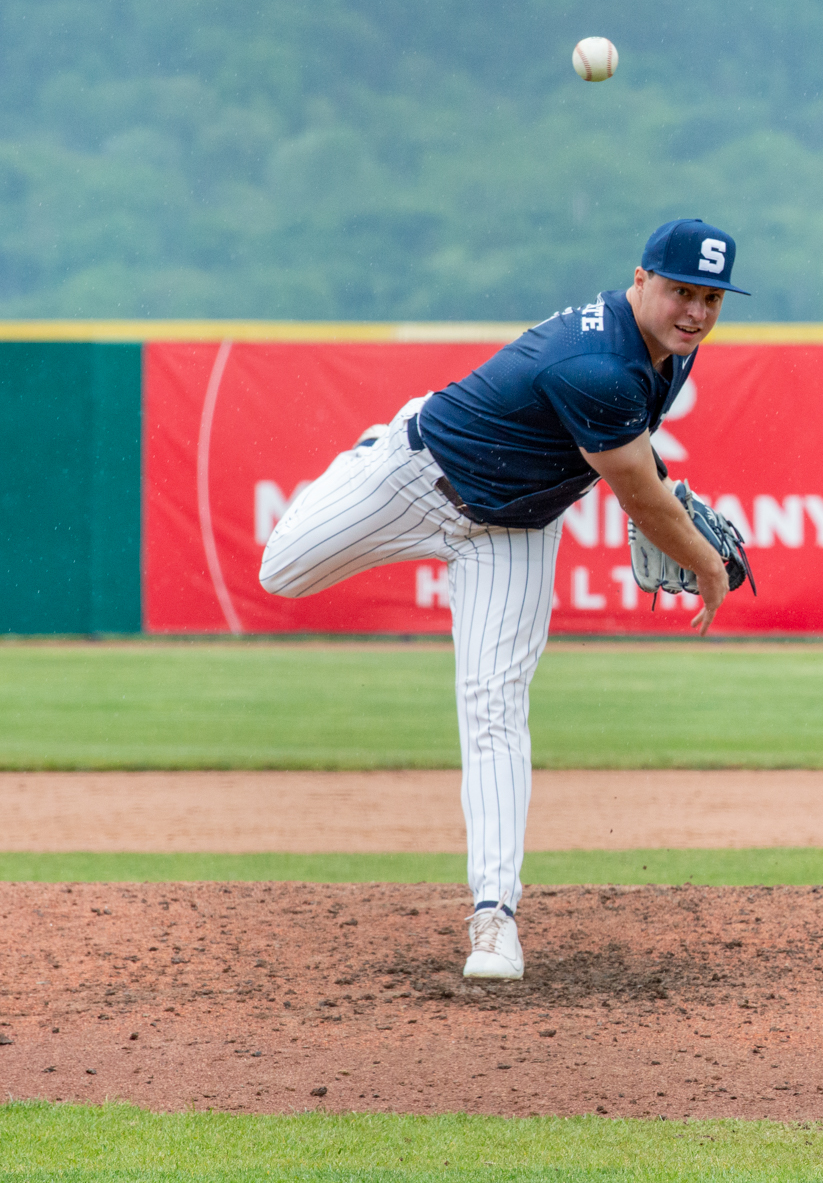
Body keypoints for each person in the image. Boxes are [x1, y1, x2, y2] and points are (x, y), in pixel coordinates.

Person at [259, 218, 747, 981]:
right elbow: (641, 498)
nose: (697, 312)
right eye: (682, 291)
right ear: (641, 280)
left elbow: (637, 463)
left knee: (494, 707)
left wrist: (667, 498)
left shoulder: (669, 354)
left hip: (513, 529)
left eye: (711, 298)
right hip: (416, 477)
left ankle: (495, 918)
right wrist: (707, 567)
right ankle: (371, 442)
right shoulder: (599, 363)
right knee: (280, 572)